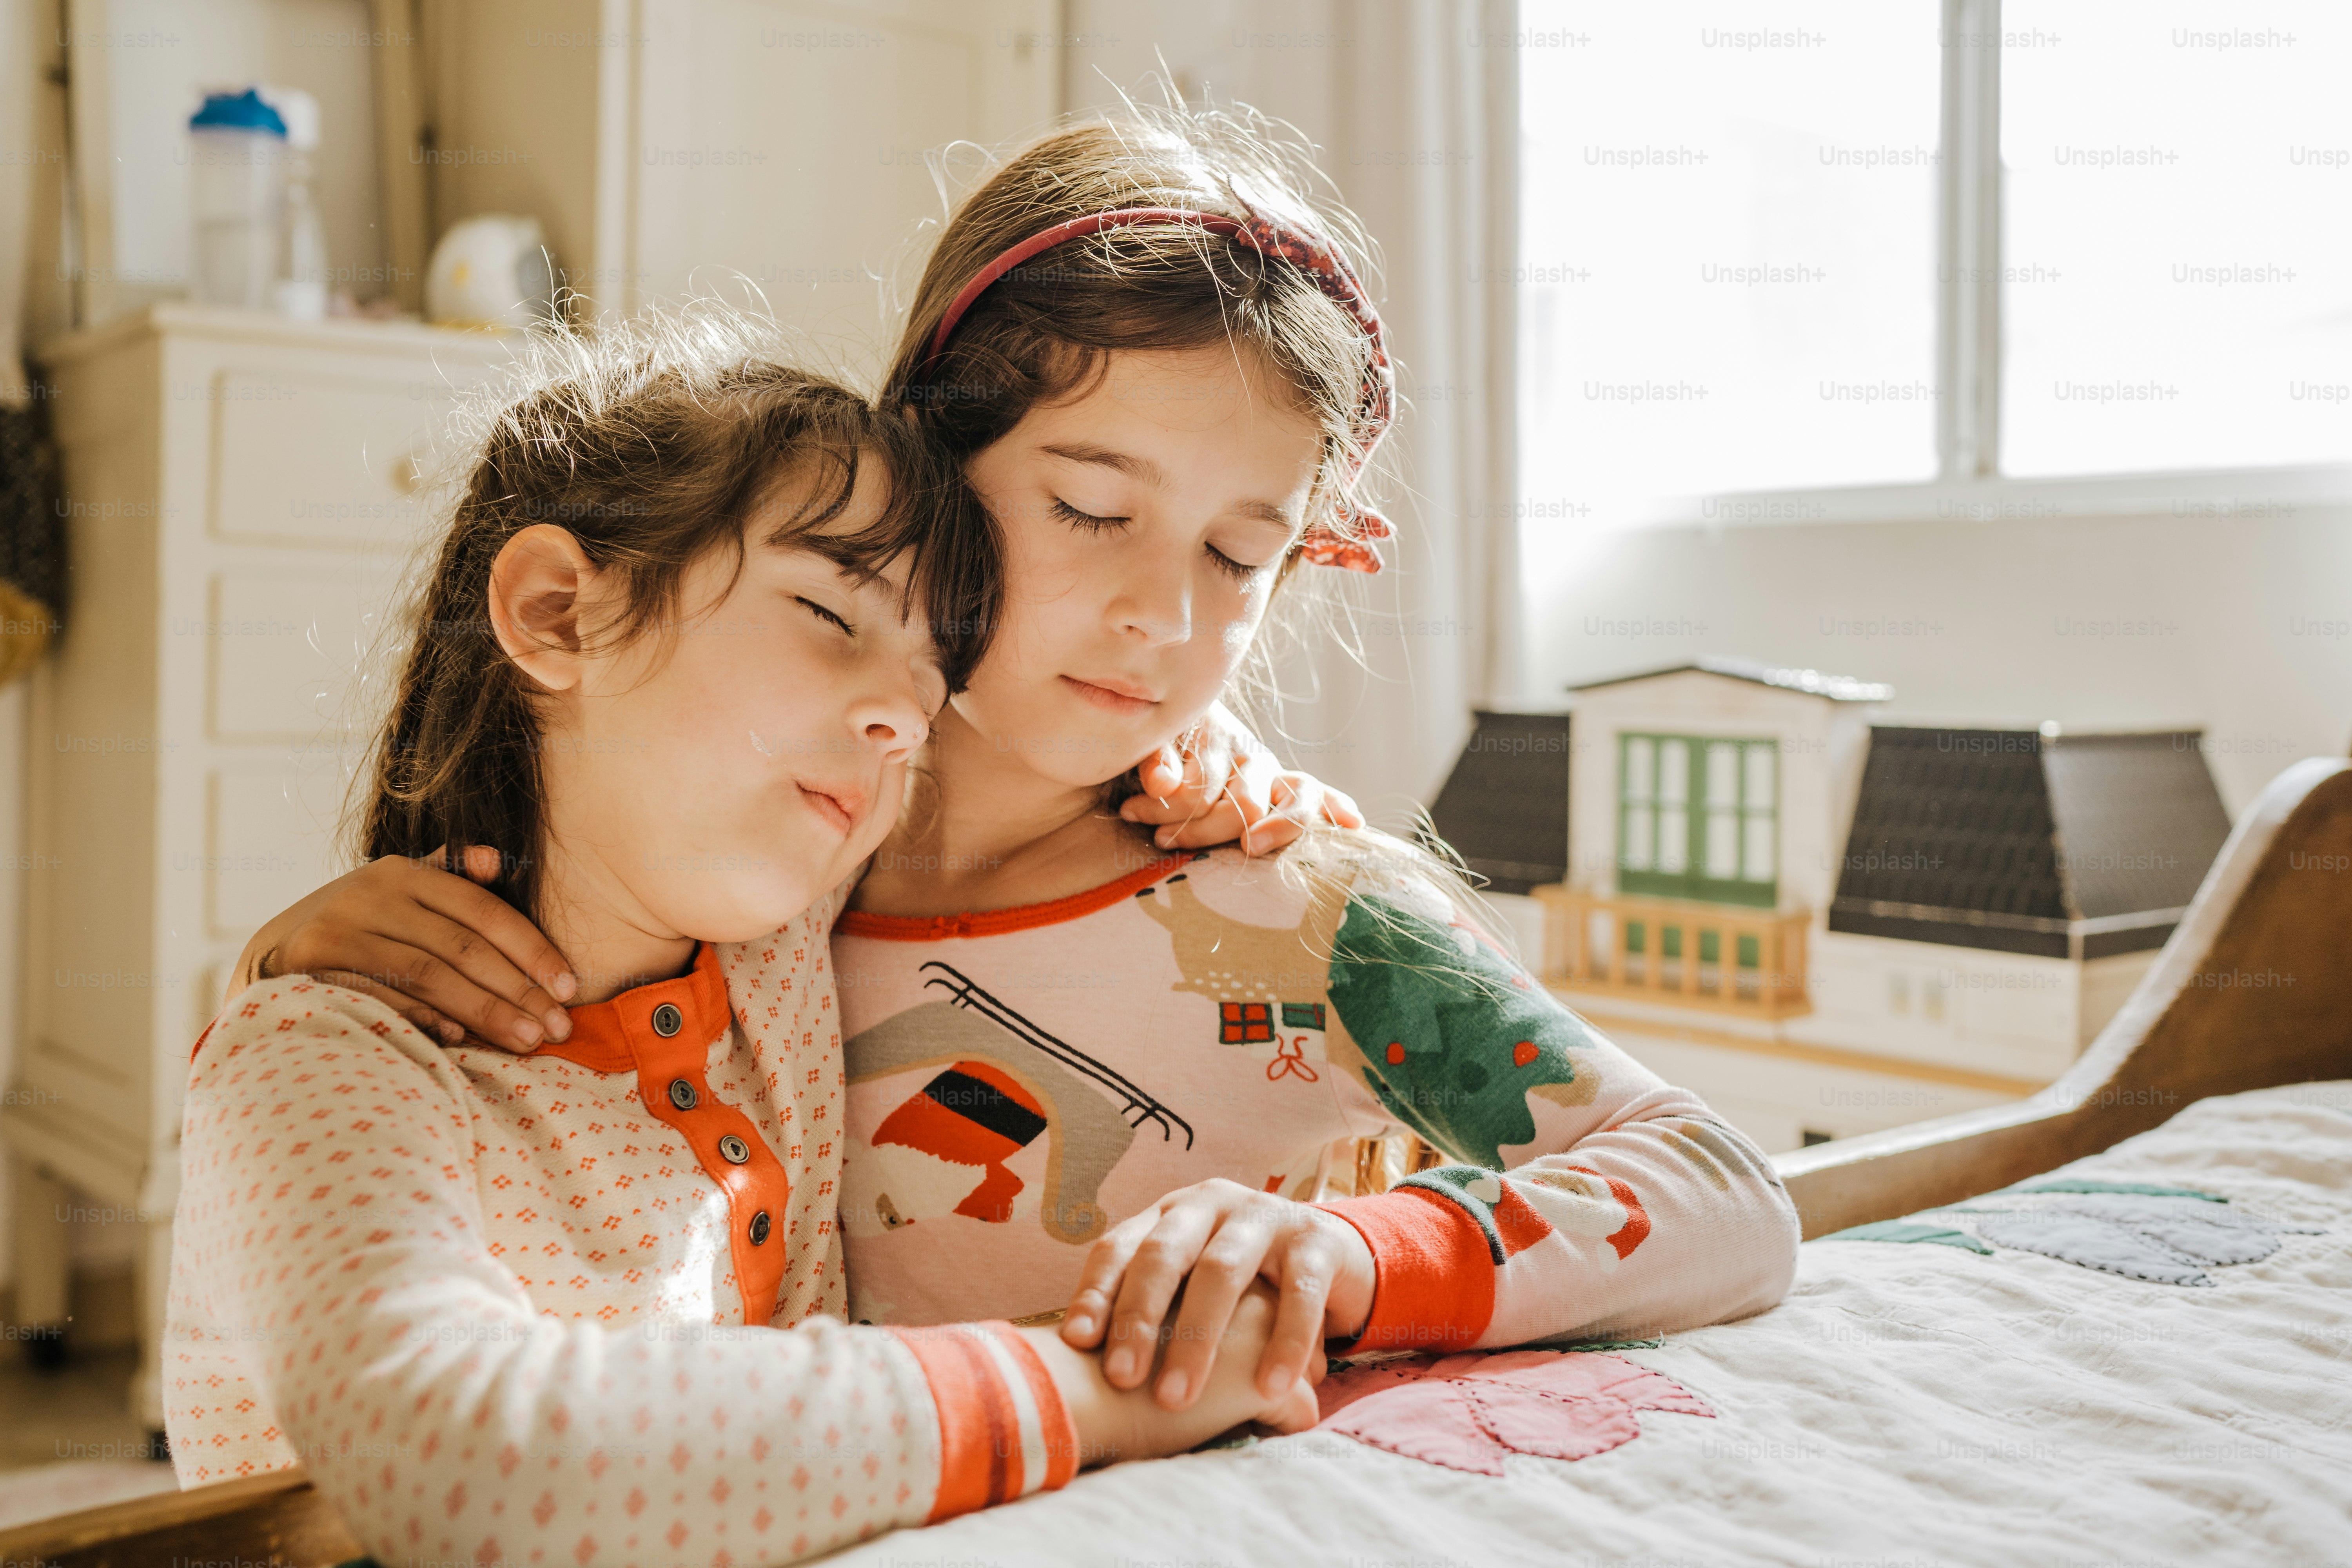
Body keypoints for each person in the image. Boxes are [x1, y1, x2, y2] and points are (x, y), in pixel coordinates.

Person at [227, 103, 1799, 1442]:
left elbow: (1722, 1189)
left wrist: (1359, 1255)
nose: (1161, 615)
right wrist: (298, 959)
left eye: (1239, 554)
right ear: (929, 462)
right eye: (1092, 508)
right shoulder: (772, 851)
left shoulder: (1306, 909)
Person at [165, 316, 1317, 1568]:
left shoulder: (770, 958)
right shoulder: (328, 1065)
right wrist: (1088, 1397)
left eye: (930, 689)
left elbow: (1035, 746)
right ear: (558, 613)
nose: (901, 719)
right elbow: (447, 1459)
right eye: (832, 613)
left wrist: (1204, 748)